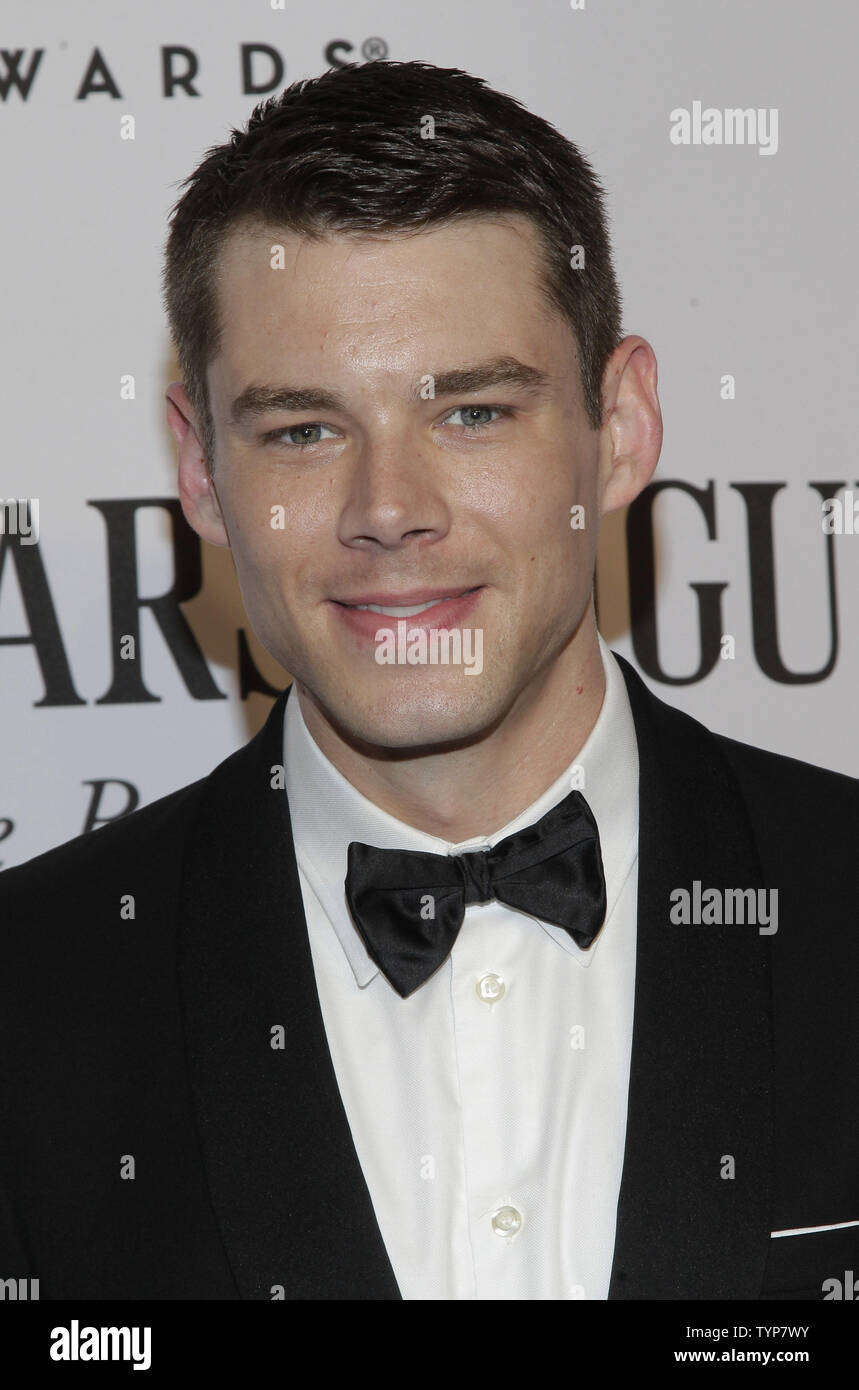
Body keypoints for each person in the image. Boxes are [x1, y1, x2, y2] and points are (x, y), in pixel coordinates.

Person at [1, 60, 856, 1302]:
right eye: (302, 428)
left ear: (618, 426)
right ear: (199, 471)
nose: (388, 510)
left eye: (472, 413)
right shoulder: (32, 1001)